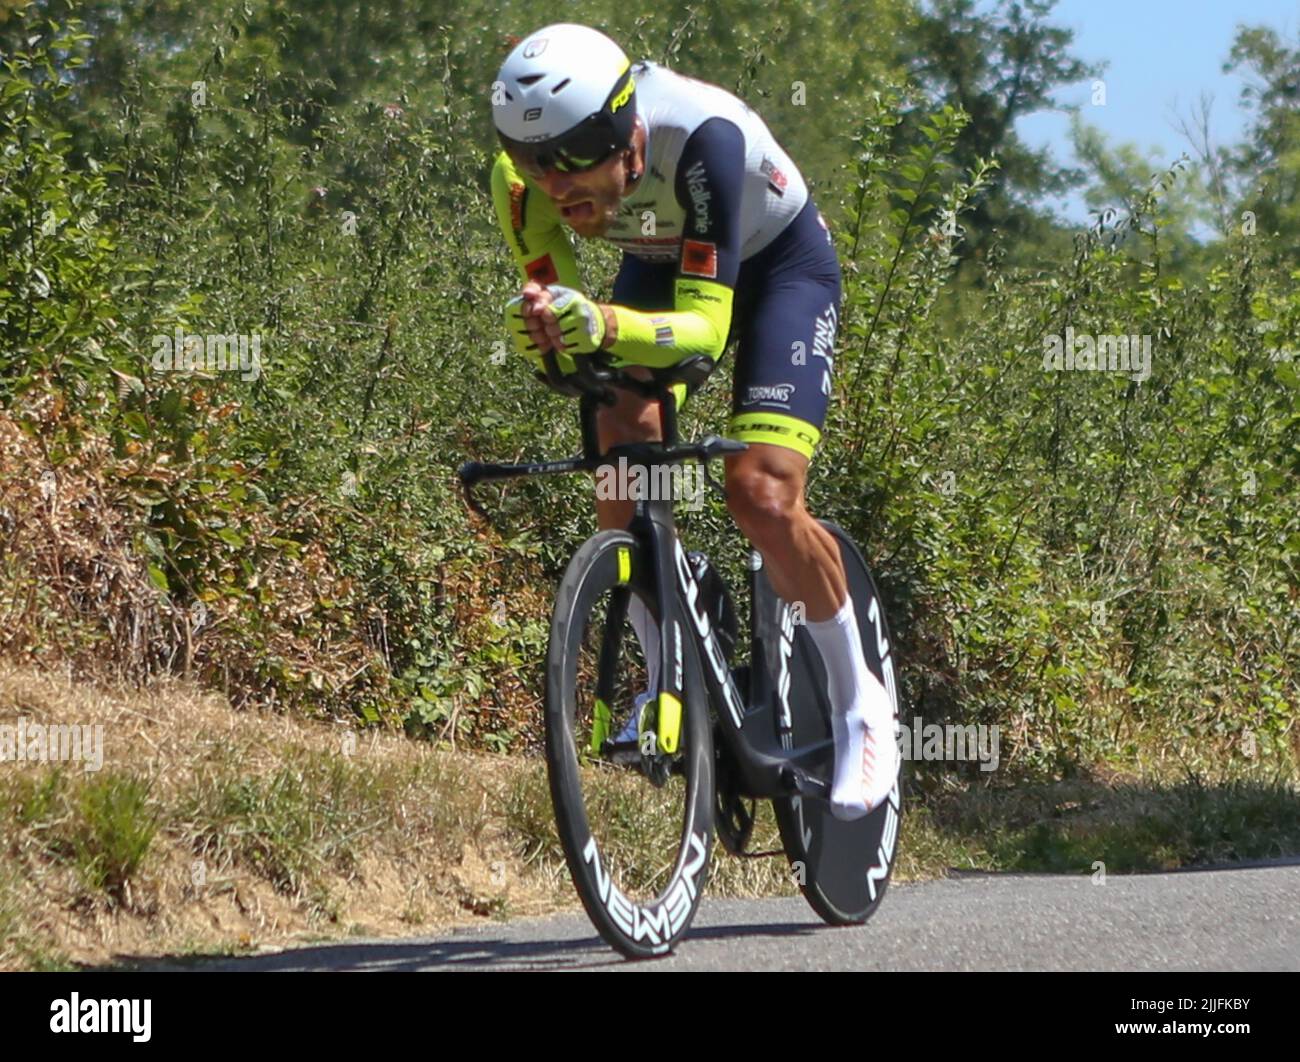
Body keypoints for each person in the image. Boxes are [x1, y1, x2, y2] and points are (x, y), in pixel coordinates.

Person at [490, 22, 897, 819]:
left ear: (628, 137)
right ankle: (664, 664)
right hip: (662, 260)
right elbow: (572, 334)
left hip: (779, 266)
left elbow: (705, 331)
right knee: (618, 437)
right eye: (538, 167)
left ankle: (861, 703)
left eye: (576, 163)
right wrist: (551, 340)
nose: (558, 189)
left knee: (761, 493)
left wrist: (602, 326)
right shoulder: (522, 181)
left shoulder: (703, 137)